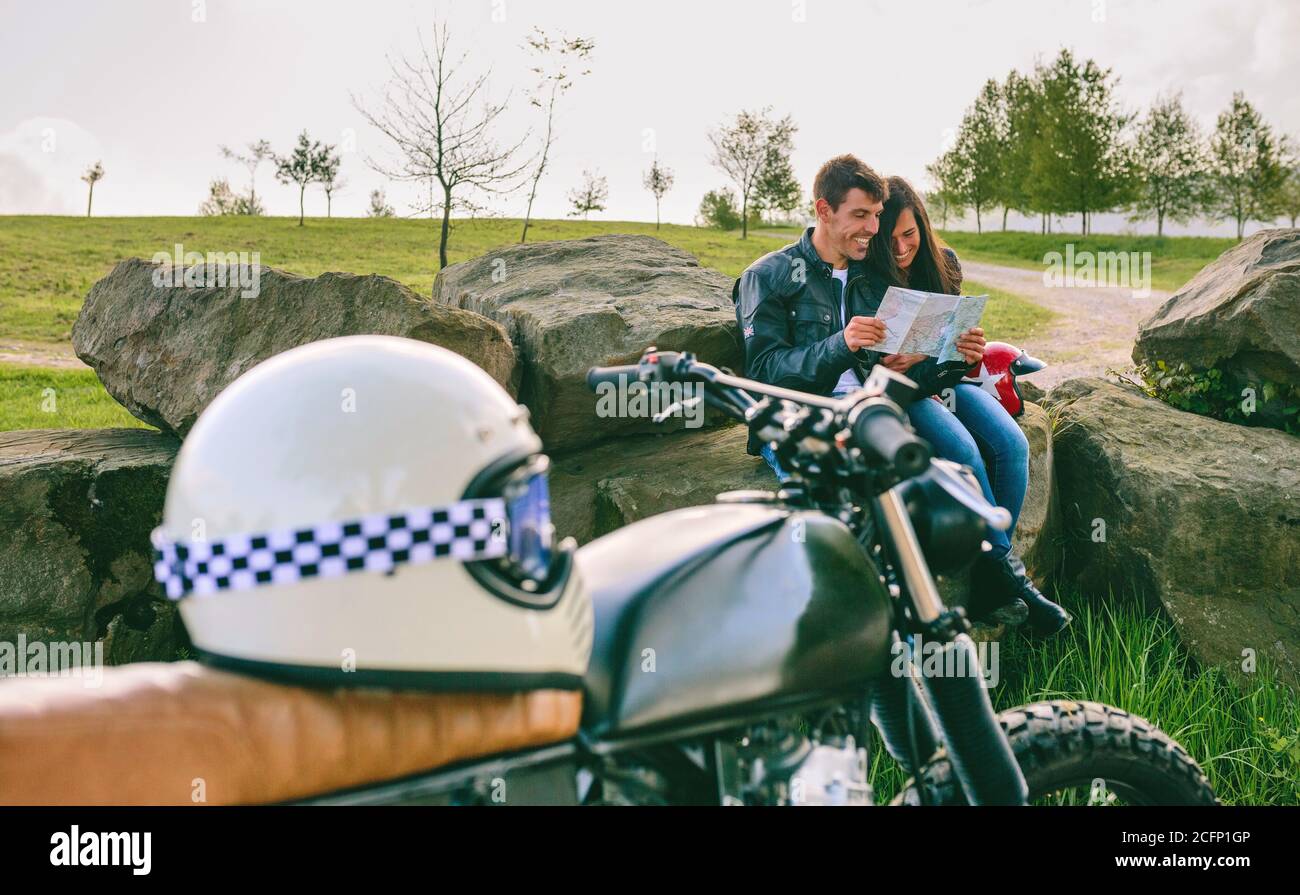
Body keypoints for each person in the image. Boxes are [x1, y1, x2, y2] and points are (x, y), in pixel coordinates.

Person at [732, 157, 1068, 634]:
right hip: (802, 418)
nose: (873, 229)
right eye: (862, 216)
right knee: (842, 511)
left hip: (879, 405)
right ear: (824, 210)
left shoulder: (871, 277)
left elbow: (907, 373)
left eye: (877, 215)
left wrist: (942, 361)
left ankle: (976, 589)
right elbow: (764, 373)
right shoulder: (769, 275)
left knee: (964, 463)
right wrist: (841, 344)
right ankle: (843, 639)